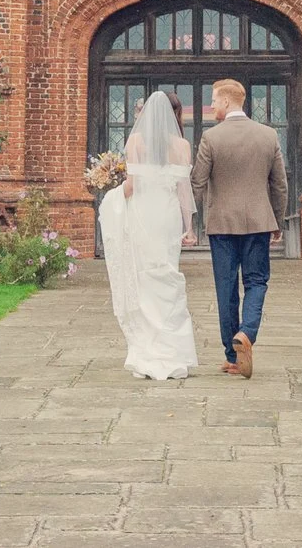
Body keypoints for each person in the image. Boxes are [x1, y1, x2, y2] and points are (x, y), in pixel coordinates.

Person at [97, 90, 200, 380]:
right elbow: (183, 190)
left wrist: (112, 197)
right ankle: (173, 352)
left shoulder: (136, 142)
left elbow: (131, 186)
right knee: (167, 273)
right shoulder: (181, 145)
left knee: (144, 277)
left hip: (144, 213)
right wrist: (188, 227)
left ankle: (148, 352)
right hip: (167, 216)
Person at [190, 77, 287, 379]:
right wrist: (278, 220)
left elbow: (197, 181)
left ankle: (233, 356)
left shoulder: (211, 138)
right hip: (259, 221)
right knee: (257, 282)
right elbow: (280, 185)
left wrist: (189, 222)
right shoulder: (268, 135)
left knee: (226, 287)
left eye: (215, 100)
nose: (212, 105)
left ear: (228, 101)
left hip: (221, 224)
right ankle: (247, 333)